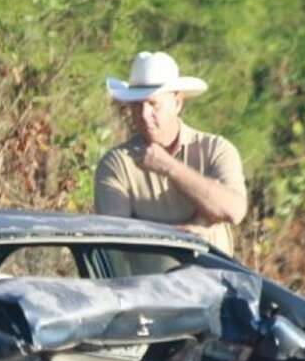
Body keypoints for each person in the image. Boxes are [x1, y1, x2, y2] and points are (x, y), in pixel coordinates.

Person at [94, 51, 248, 256]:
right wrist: (185, 235)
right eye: (137, 105)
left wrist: (170, 168)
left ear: (177, 102)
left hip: (214, 284)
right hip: (146, 286)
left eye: (152, 104)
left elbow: (234, 211)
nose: (144, 115)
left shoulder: (216, 150)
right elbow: (117, 240)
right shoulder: (116, 164)